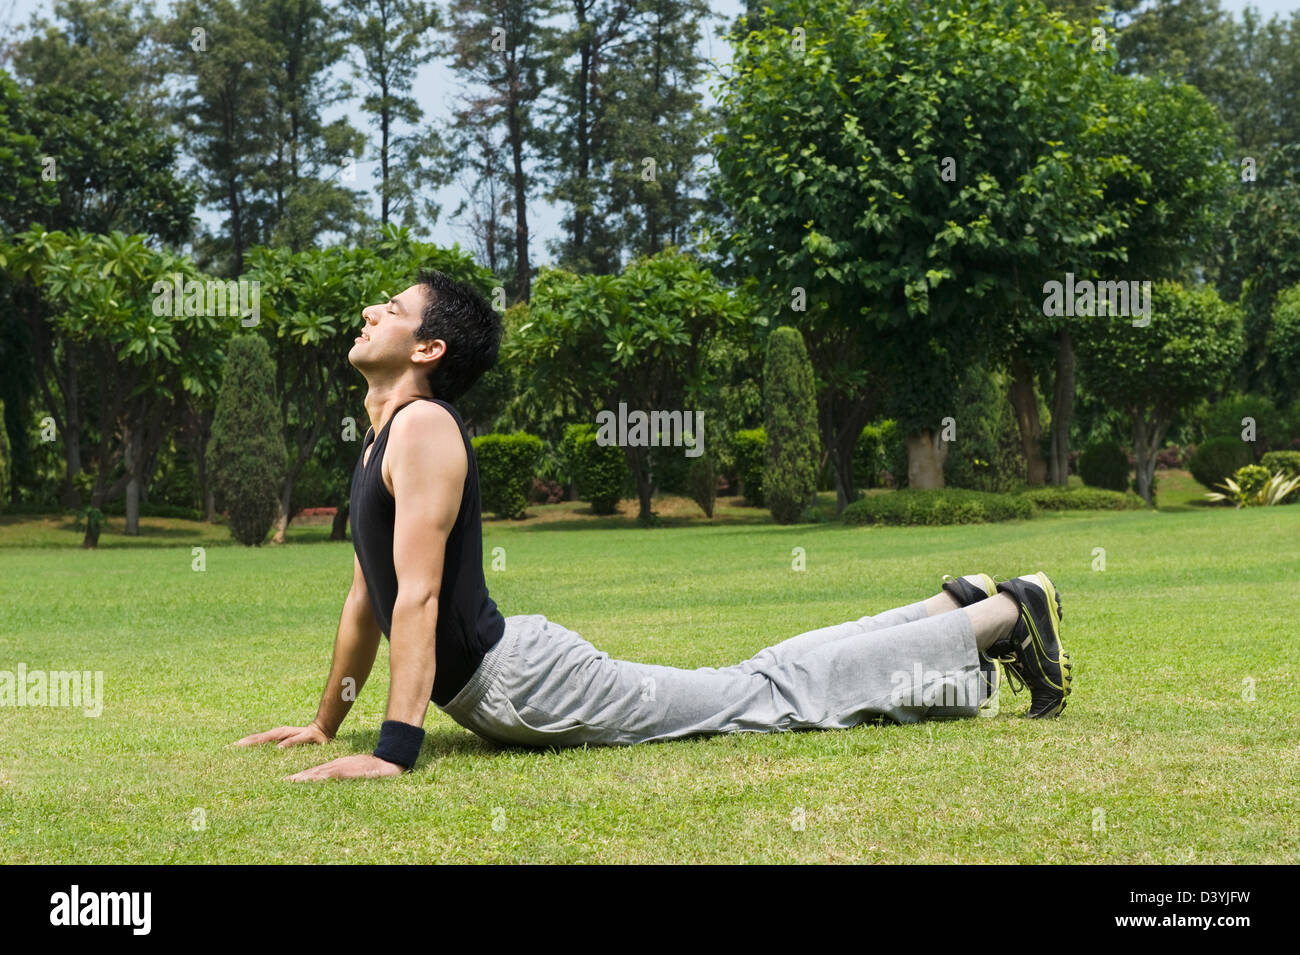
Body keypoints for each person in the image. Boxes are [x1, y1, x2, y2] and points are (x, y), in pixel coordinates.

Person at [235, 270, 1072, 781]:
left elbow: (415, 597)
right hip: (511, 675)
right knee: (753, 679)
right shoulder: (385, 438)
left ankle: (1003, 616)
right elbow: (365, 600)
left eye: (393, 307)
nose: (371, 312)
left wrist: (394, 748)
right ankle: (947, 613)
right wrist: (326, 721)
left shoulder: (423, 428)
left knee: (761, 699)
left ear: (429, 350)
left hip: (525, 680)